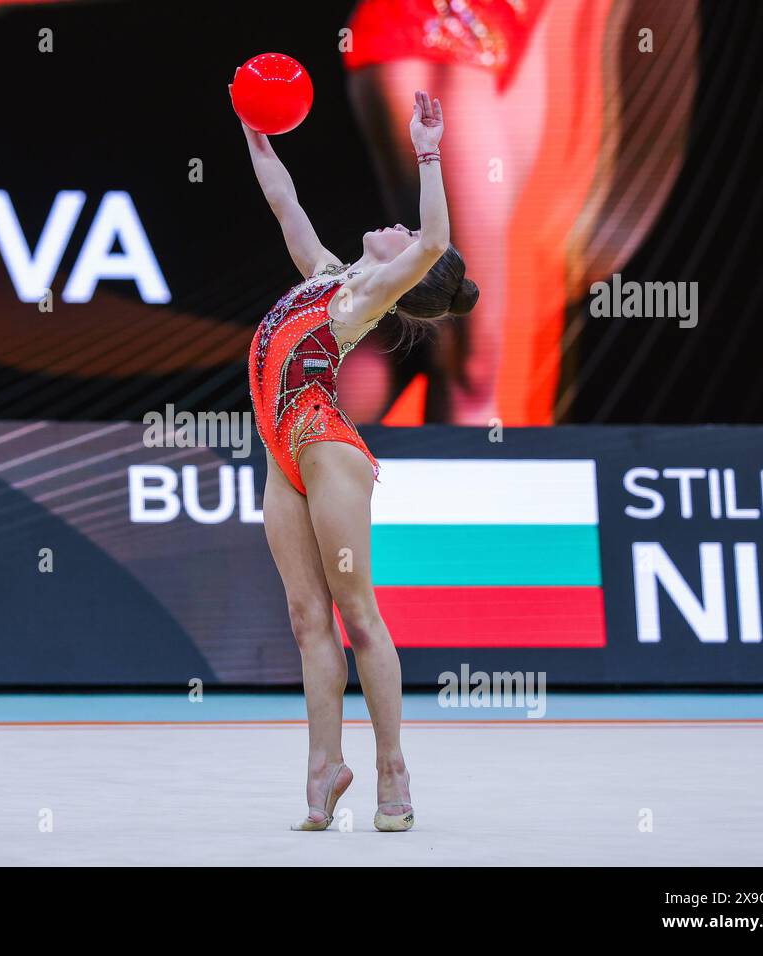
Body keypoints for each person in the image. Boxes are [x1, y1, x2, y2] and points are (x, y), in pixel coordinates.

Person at [241, 87, 477, 830]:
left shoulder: (368, 295)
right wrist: (255, 129)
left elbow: (435, 241)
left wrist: (428, 149)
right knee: (307, 617)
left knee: (358, 615)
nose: (398, 226)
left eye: (404, 232)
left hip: (323, 444)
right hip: (281, 451)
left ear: (404, 266)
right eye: (402, 226)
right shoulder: (327, 274)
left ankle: (392, 769)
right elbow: (285, 203)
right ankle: (323, 767)